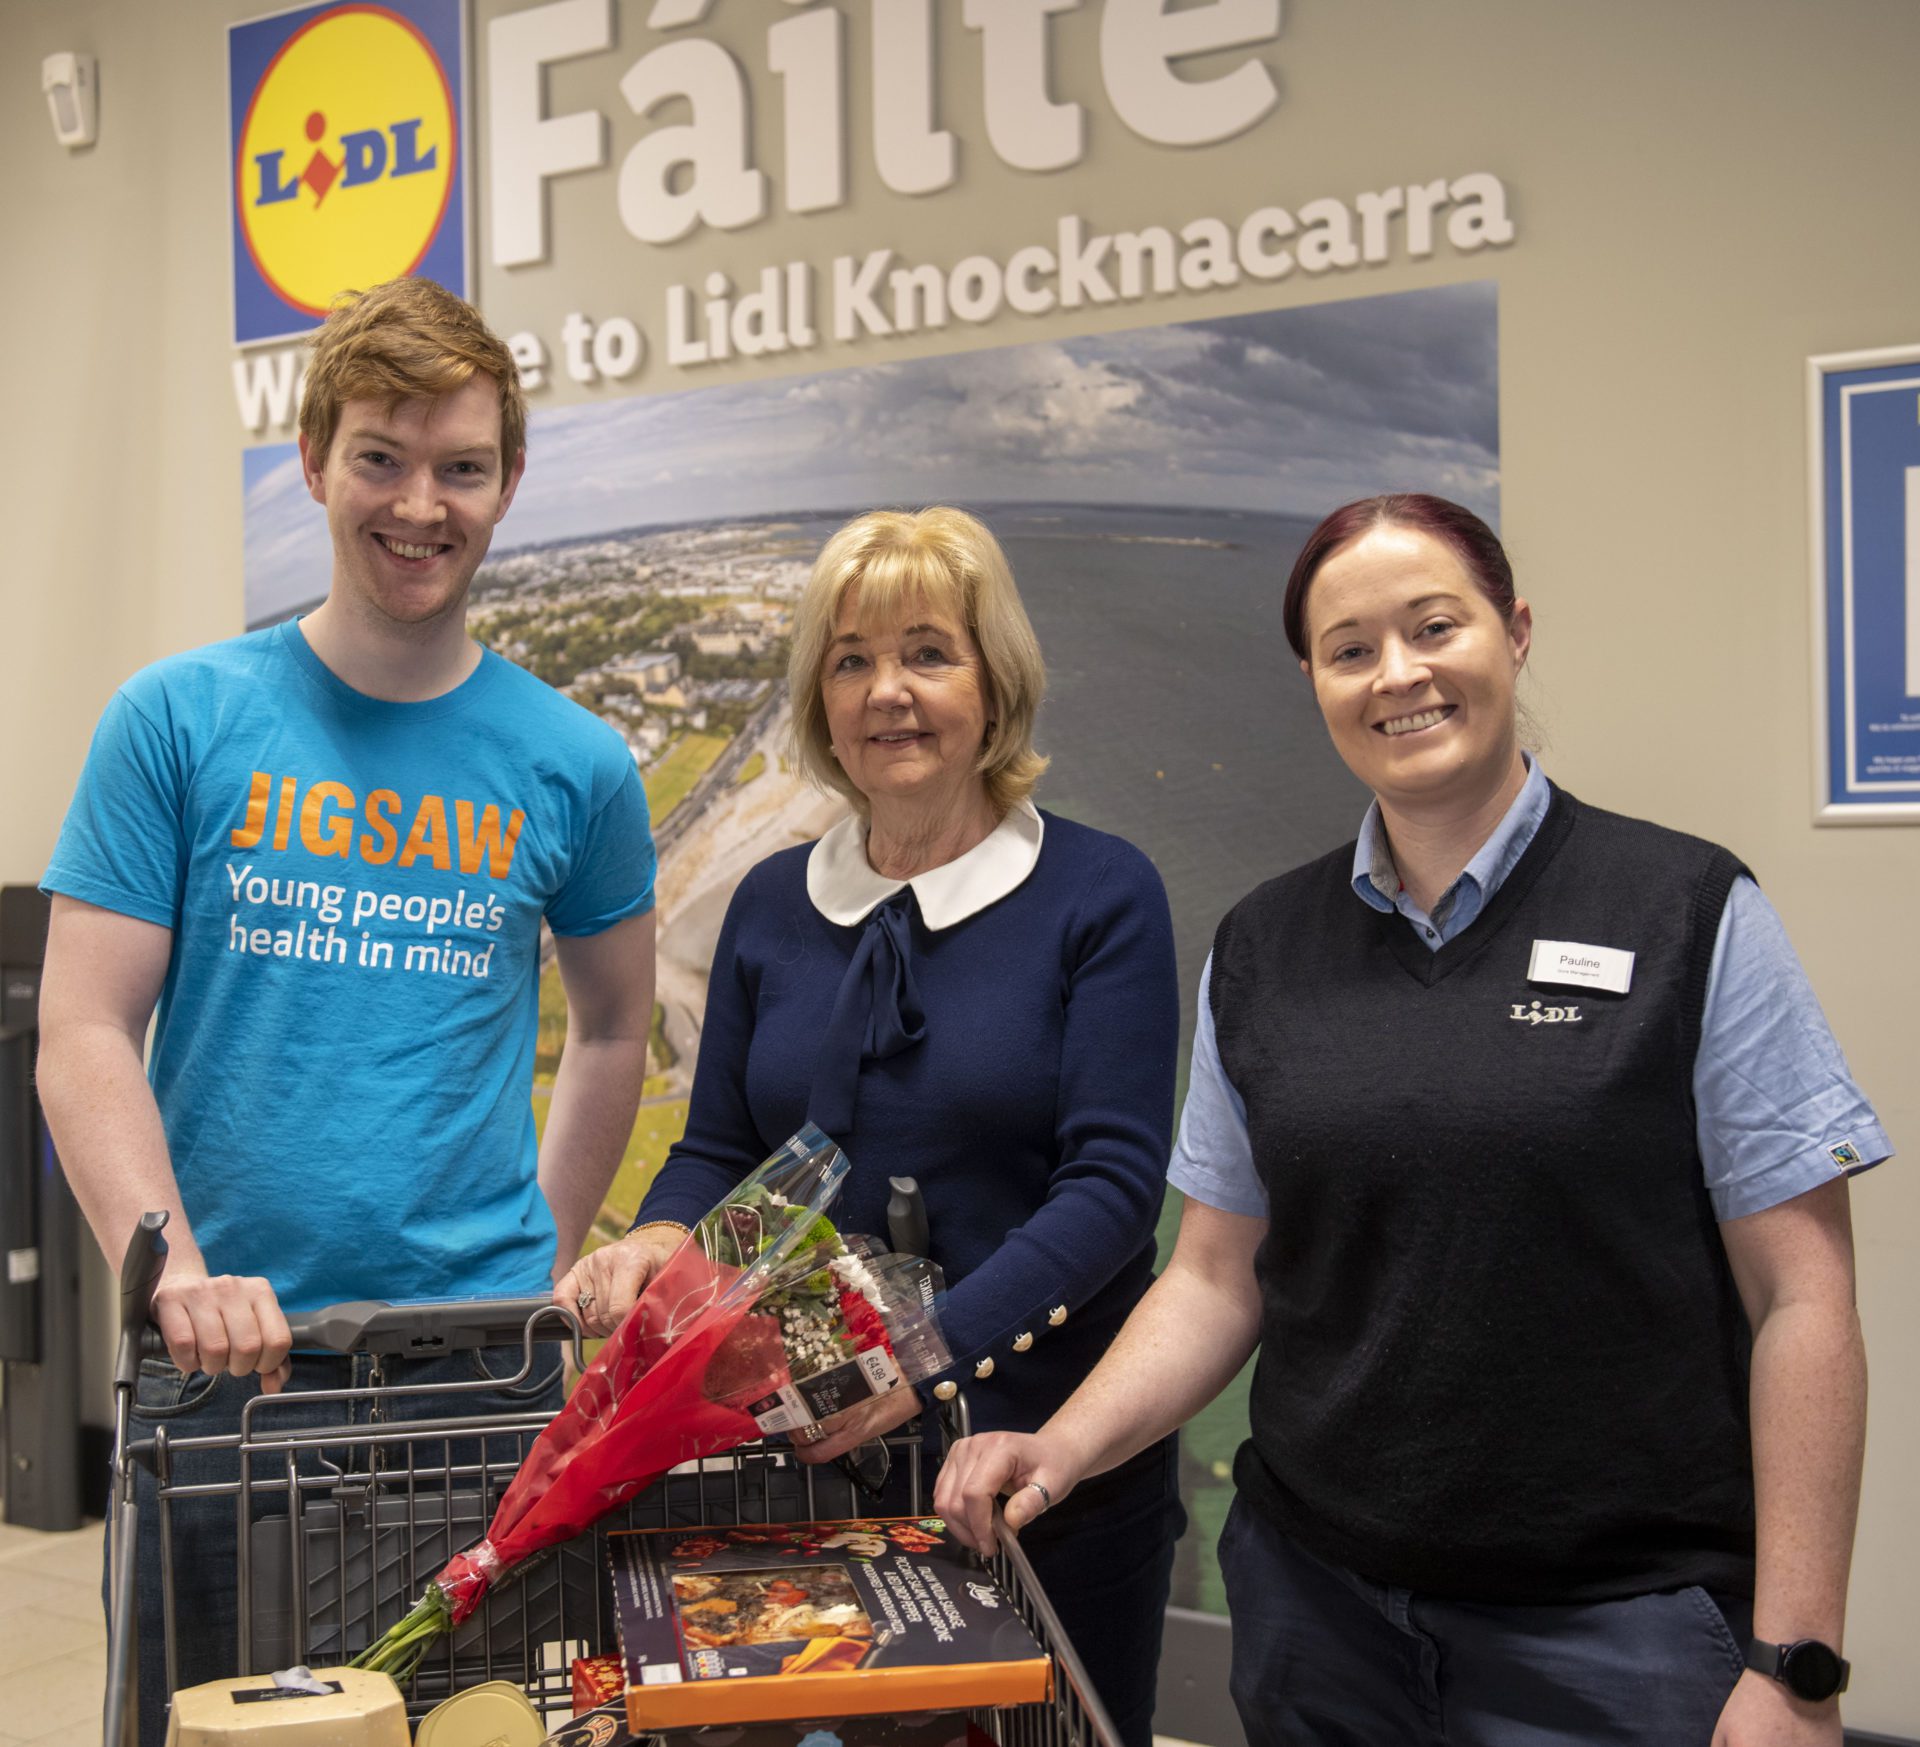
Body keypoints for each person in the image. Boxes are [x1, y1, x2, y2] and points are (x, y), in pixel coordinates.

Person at [935, 493, 1888, 1747]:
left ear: (1516, 631)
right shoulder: (1264, 946)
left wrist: (1797, 1661)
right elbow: (1218, 1278)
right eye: (1350, 649)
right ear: (1316, 681)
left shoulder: (1689, 911)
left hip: (1619, 1640)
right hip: (1319, 1624)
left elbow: (1806, 1303)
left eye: (1435, 626)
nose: (1400, 675)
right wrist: (1056, 1447)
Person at [37, 278, 658, 1742]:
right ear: (311, 461)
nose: (420, 504)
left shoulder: (576, 762)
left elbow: (619, 1027)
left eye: (461, 466)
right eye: (380, 456)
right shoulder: (177, 719)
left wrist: (538, 1258)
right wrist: (171, 1263)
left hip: (481, 1391)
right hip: (228, 1381)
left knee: (481, 1728)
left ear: (509, 481)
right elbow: (81, 1026)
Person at [559, 507, 1184, 1747]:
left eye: (927, 653)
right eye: (850, 660)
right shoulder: (770, 904)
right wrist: (662, 1233)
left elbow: (1112, 1191)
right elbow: (721, 1140)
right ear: (819, 699)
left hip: (1042, 1463)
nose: (887, 692)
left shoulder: (1101, 895)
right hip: (807, 1465)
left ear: (995, 683)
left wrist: (925, 1354)